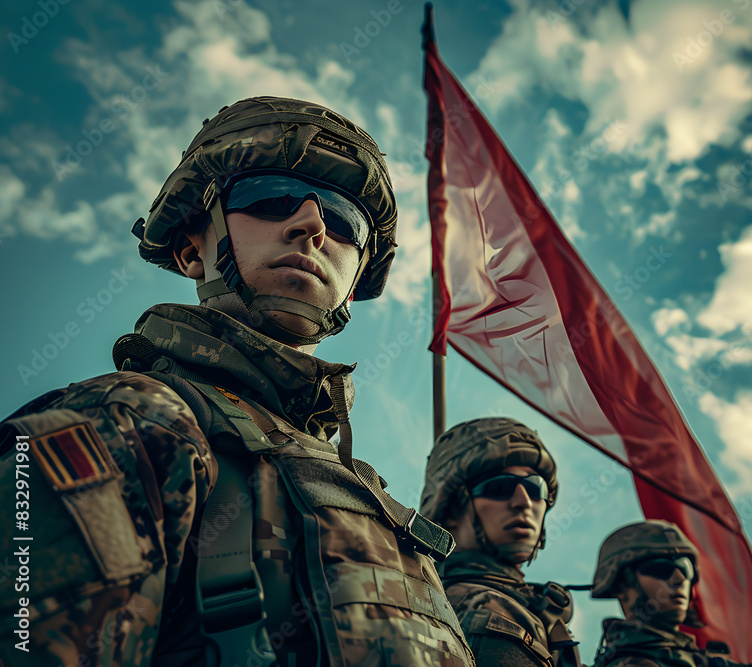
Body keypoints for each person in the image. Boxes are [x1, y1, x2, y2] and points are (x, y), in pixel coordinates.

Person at [0, 96, 474, 667]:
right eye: (269, 198)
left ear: (355, 280)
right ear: (190, 250)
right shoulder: (134, 424)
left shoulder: (372, 497)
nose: (311, 226)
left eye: (345, 221)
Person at [420, 417, 584, 667]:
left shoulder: (524, 603)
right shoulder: (486, 610)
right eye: (498, 487)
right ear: (452, 510)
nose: (524, 502)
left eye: (534, 487)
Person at [590, 520, 752, 667]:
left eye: (685, 568)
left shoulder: (694, 659)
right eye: (660, 568)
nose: (679, 579)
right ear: (621, 587)